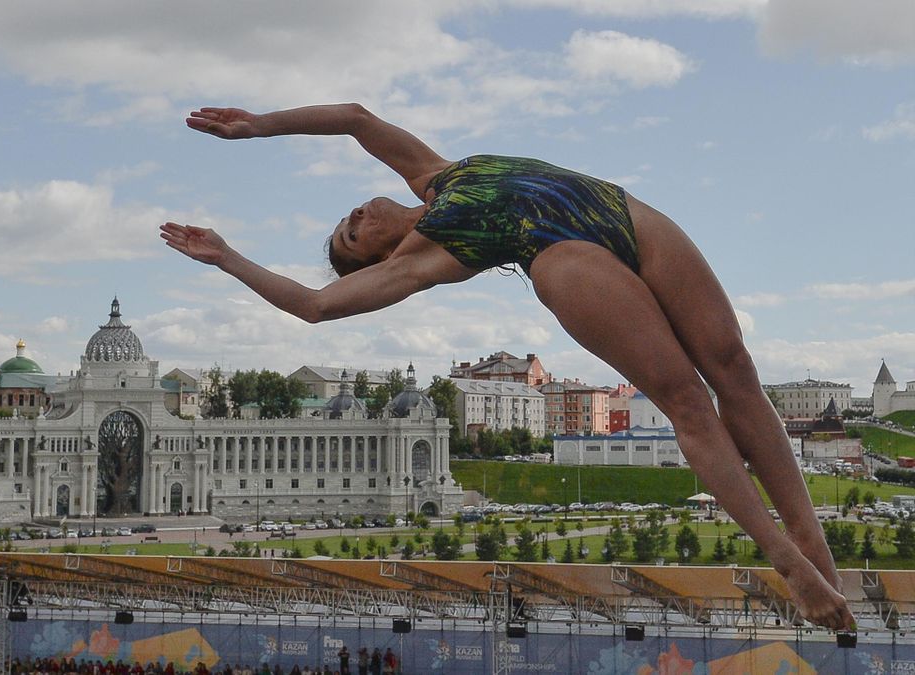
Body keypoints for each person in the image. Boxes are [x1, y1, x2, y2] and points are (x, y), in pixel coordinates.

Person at [161, 102, 855, 631]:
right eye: (352, 234)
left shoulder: (434, 172)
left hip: (622, 213)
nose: (355, 214)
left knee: (736, 369)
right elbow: (313, 305)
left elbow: (353, 118)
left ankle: (813, 547)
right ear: (375, 259)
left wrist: (258, 126)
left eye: (348, 217)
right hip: (564, 256)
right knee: (688, 402)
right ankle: (782, 556)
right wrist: (229, 257)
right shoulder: (422, 258)